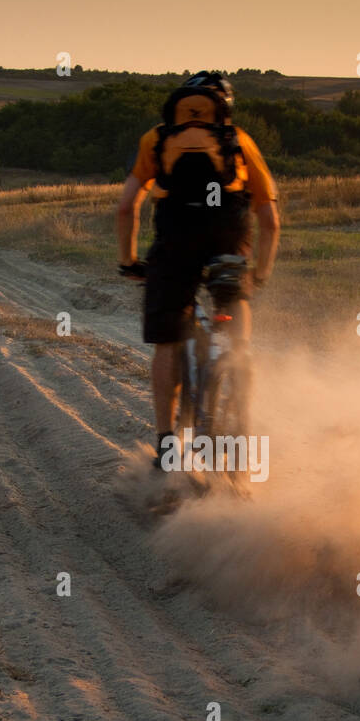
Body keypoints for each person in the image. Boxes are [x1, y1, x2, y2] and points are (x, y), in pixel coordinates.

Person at [115, 71, 280, 467]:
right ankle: (239, 374)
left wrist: (129, 261)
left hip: (175, 240)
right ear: (222, 106)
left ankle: (166, 445)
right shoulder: (238, 141)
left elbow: (126, 207)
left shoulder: (157, 139)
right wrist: (258, 274)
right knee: (234, 299)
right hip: (228, 234)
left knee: (169, 342)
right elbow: (269, 217)